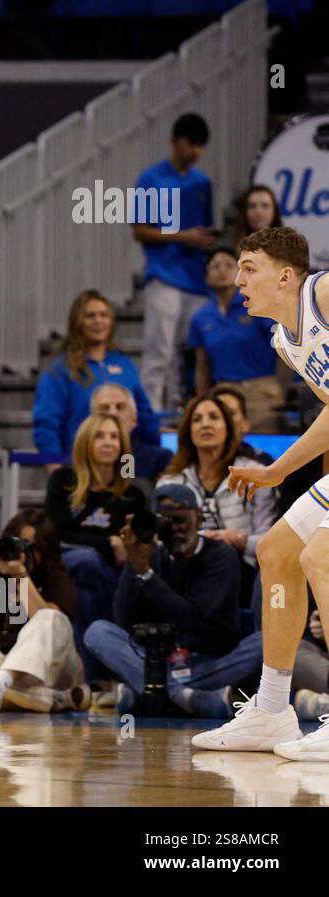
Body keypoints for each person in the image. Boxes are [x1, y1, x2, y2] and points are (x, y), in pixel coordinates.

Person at [196, 227, 329, 756]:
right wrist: (276, 471)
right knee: (277, 552)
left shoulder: (323, 294)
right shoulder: (283, 339)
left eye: (249, 267)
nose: (238, 277)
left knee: (321, 556)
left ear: (286, 274)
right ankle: (273, 711)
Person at [85, 484, 260, 718]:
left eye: (180, 520)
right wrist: (134, 566)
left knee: (267, 641)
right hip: (155, 661)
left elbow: (192, 617)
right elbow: (123, 620)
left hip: (212, 661)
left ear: (199, 519)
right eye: (165, 522)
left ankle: (151, 696)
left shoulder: (221, 555)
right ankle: (187, 698)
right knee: (97, 631)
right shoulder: (147, 556)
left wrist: (147, 576)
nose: (174, 529)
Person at [0, 510, 88, 713]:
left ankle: (0, 686)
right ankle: (53, 700)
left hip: (50, 671)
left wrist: (21, 577)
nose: (23, 552)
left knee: (50, 617)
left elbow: (44, 623)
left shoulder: (57, 577)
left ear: (46, 550)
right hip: (1, 666)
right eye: (18, 544)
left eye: (32, 547)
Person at [44, 414, 148, 672]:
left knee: (88, 589)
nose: (108, 442)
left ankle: (92, 673)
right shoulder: (63, 480)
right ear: (85, 442)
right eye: (100, 435)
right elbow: (56, 533)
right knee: (86, 561)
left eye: (114, 436)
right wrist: (107, 541)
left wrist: (116, 544)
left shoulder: (132, 494)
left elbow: (132, 543)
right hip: (65, 561)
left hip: (106, 571)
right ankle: (100, 671)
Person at [132, 112, 216, 412]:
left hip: (195, 280)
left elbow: (204, 230)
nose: (195, 151)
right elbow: (140, 230)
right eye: (190, 143)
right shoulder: (150, 179)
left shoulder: (203, 182)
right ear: (174, 140)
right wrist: (181, 236)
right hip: (164, 276)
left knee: (188, 353)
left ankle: (181, 408)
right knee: (159, 351)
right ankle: (151, 414)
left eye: (200, 146)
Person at [159, 394, 276, 603]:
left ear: (228, 427)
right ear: (188, 431)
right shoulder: (170, 482)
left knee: (223, 554)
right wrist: (200, 539)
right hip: (184, 569)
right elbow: (161, 540)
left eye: (214, 417)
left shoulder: (256, 474)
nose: (205, 424)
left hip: (241, 570)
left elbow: (270, 541)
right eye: (197, 419)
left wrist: (241, 541)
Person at [33, 289, 159, 467]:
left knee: (132, 493)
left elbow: (144, 415)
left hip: (125, 465)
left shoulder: (125, 364)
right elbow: (47, 424)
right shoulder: (60, 368)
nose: (98, 321)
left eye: (103, 315)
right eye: (90, 316)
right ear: (77, 322)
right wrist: (55, 470)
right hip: (80, 466)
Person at [188, 247, 281, 431]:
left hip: (262, 393)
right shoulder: (201, 317)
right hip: (223, 394)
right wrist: (201, 401)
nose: (222, 270)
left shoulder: (256, 305)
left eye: (229, 265)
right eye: (215, 266)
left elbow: (283, 347)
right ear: (206, 275)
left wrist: (281, 388)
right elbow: (202, 366)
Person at [89, 382, 172, 482]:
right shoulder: (78, 463)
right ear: (92, 420)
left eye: (120, 407)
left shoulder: (160, 460)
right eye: (104, 408)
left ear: (134, 418)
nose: (113, 413)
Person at [209, 384, 274, 465]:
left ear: (246, 424)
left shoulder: (264, 465)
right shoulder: (190, 464)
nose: (224, 419)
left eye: (231, 413)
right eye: (216, 414)